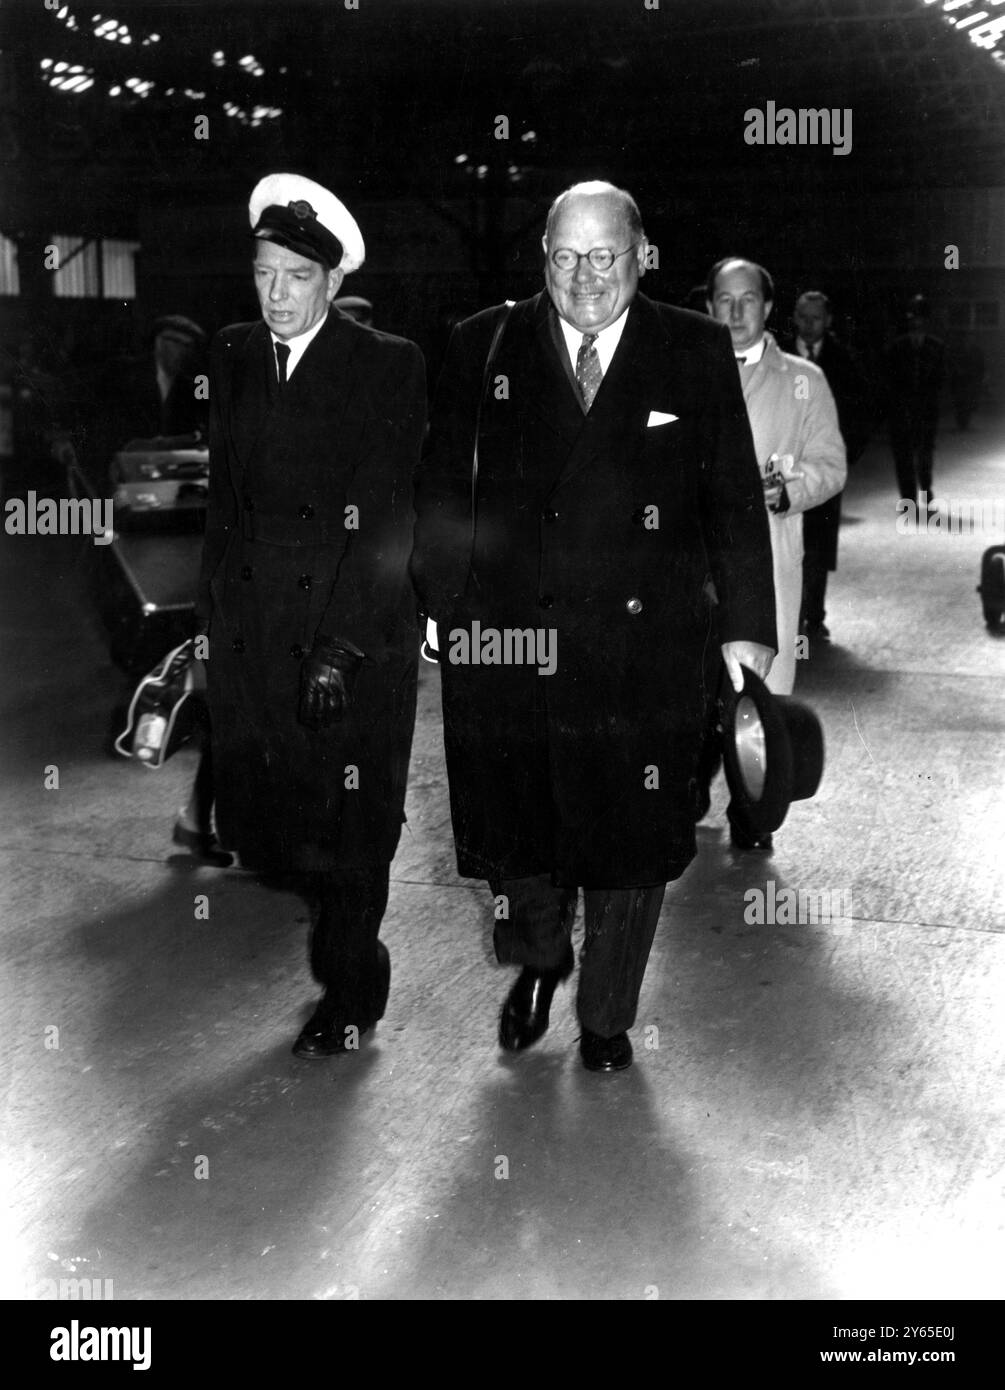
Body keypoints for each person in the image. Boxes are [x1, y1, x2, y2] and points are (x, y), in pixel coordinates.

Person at [411, 181, 776, 1073]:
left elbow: (729, 491)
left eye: (603, 256)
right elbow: (442, 488)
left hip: (641, 649)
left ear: (640, 255)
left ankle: (607, 1016)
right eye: (565, 256)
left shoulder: (690, 349)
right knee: (516, 835)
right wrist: (433, 596)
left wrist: (747, 623)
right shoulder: (481, 343)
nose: (583, 277)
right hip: (508, 640)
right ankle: (539, 958)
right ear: (543, 255)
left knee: (630, 842)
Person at [197, 173, 426, 1059]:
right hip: (254, 628)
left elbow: (389, 515)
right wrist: (207, 618)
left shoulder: (385, 364)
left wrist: (337, 646)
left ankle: (352, 984)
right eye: (264, 274)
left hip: (352, 632)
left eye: (297, 276)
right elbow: (225, 504)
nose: (278, 295)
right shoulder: (232, 355)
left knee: (350, 824)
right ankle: (341, 936)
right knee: (266, 826)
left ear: (333, 282)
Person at [703, 259, 846, 849]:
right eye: (724, 300)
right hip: (692, 562)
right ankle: (689, 790)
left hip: (765, 559)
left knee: (752, 688)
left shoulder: (804, 381)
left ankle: (751, 807)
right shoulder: (684, 370)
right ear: (709, 306)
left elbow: (832, 465)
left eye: (748, 301)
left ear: (766, 308)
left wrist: (789, 490)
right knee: (691, 685)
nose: (736, 313)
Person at [784, 290, 871, 641]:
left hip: (822, 468)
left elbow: (862, 413)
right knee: (787, 541)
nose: (808, 325)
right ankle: (788, 616)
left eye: (815, 318)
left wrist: (843, 457)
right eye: (802, 317)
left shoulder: (844, 362)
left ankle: (814, 617)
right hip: (783, 467)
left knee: (818, 543)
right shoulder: (778, 356)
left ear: (828, 321)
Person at [884, 294, 945, 509]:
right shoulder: (896, 348)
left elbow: (942, 379)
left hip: (927, 411)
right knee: (903, 456)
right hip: (902, 412)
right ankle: (908, 498)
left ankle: (926, 488)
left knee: (925, 454)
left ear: (926, 321)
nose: (916, 322)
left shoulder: (937, 347)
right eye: (913, 318)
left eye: (920, 318)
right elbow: (888, 381)